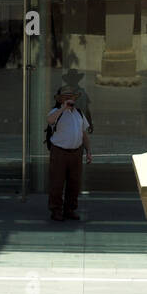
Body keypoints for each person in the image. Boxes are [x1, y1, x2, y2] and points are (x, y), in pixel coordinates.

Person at [45, 86, 92, 222]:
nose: (69, 99)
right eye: (65, 97)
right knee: (57, 182)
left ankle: (70, 209)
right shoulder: (56, 111)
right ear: (61, 100)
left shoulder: (79, 113)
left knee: (74, 183)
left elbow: (84, 134)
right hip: (59, 152)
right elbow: (50, 120)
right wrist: (62, 108)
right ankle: (56, 210)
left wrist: (88, 151)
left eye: (71, 97)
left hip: (76, 152)